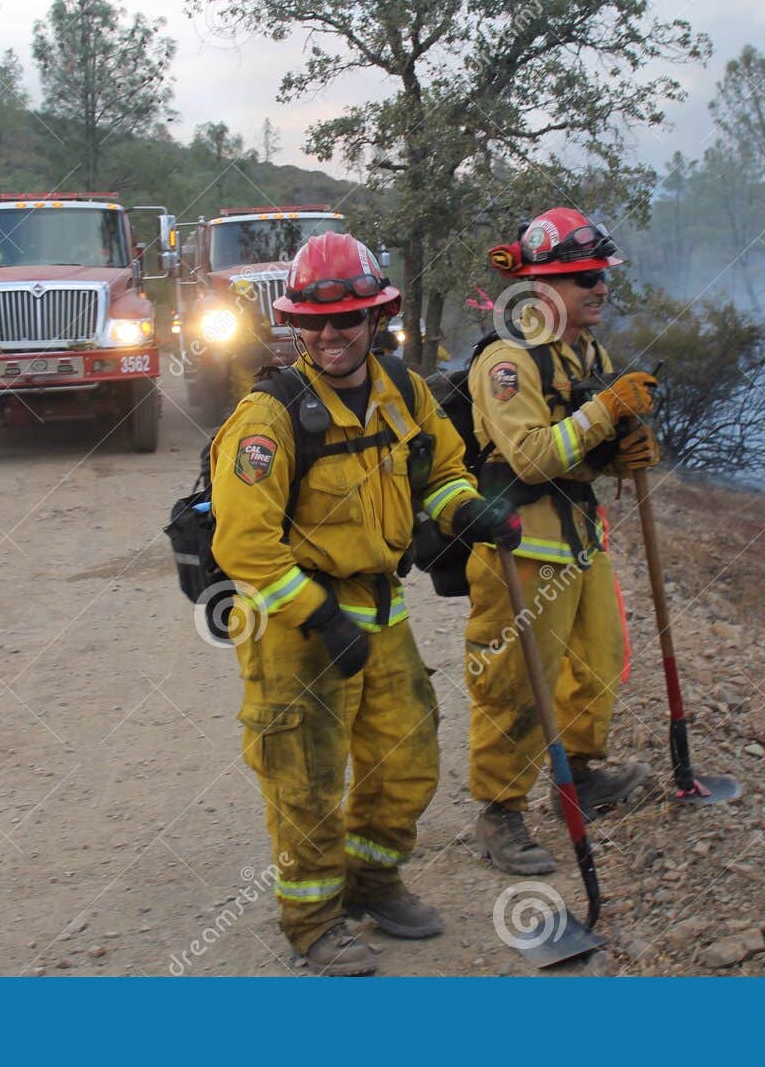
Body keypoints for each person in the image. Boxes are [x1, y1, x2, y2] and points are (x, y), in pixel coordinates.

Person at [209, 232, 521, 976]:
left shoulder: (404, 392)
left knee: (406, 754)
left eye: (346, 320)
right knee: (306, 775)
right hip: (297, 626)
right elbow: (244, 543)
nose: (328, 336)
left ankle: (374, 881)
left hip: (382, 612)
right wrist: (318, 615)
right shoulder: (270, 416)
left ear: (377, 316)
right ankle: (313, 923)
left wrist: (468, 510)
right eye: (310, 323)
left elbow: (441, 469)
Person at [464, 206, 662, 875]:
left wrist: (619, 453)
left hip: (579, 538)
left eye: (601, 273)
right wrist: (605, 412)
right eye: (582, 277)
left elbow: (579, 448)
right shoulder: (506, 362)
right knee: (518, 682)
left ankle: (576, 774)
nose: (599, 286)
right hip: (519, 550)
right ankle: (500, 811)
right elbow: (529, 457)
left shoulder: (588, 353)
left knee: (601, 659)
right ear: (543, 288)